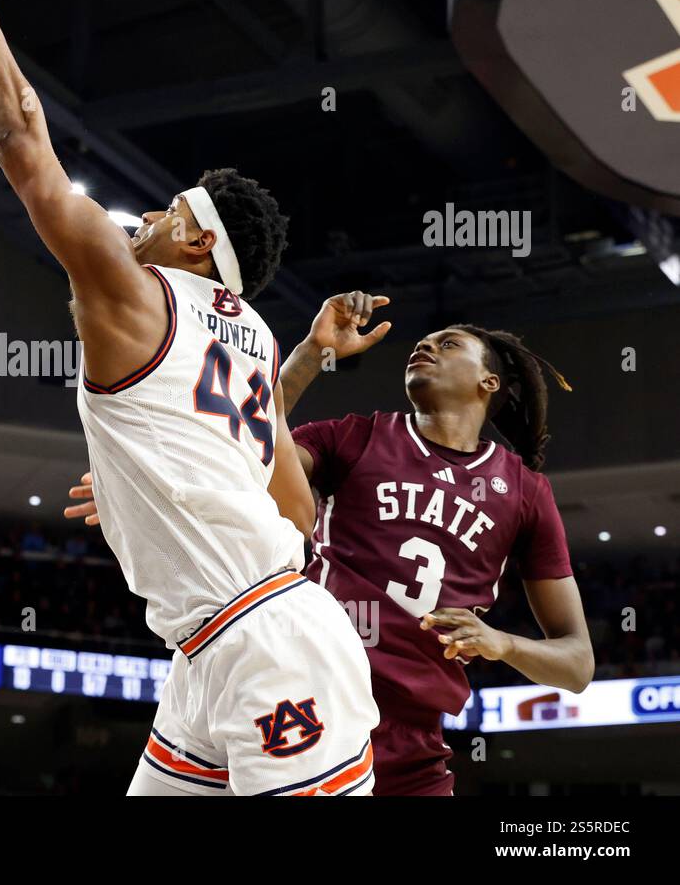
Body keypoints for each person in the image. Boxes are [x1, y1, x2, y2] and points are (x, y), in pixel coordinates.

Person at [0, 0, 378, 796]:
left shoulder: (137, 296)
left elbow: (21, 139)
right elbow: (295, 511)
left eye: (172, 211)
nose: (150, 214)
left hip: (267, 643)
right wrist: (144, 485)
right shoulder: (251, 333)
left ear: (197, 245)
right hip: (214, 646)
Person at [68, 292, 593, 794]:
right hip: (309, 689)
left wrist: (502, 643)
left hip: (412, 738)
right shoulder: (357, 437)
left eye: (448, 343)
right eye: (424, 341)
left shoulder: (525, 491)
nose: (425, 346)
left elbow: (576, 664)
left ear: (488, 381)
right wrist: (312, 353)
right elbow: (249, 447)